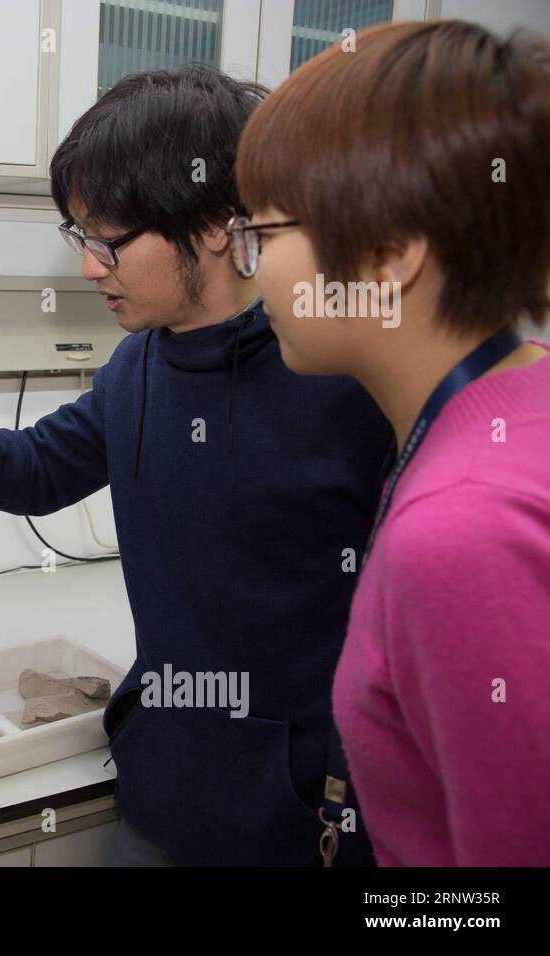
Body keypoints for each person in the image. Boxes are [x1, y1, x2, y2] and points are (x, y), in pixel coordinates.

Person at [0, 65, 392, 866]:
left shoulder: (344, 384)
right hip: (159, 782)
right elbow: (34, 469)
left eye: (108, 238)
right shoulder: (137, 369)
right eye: (78, 236)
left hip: (294, 815)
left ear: (211, 223)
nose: (90, 264)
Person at [233, 19, 550, 865]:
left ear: (389, 255)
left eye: (263, 235)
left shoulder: (462, 533)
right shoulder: (520, 402)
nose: (251, 268)